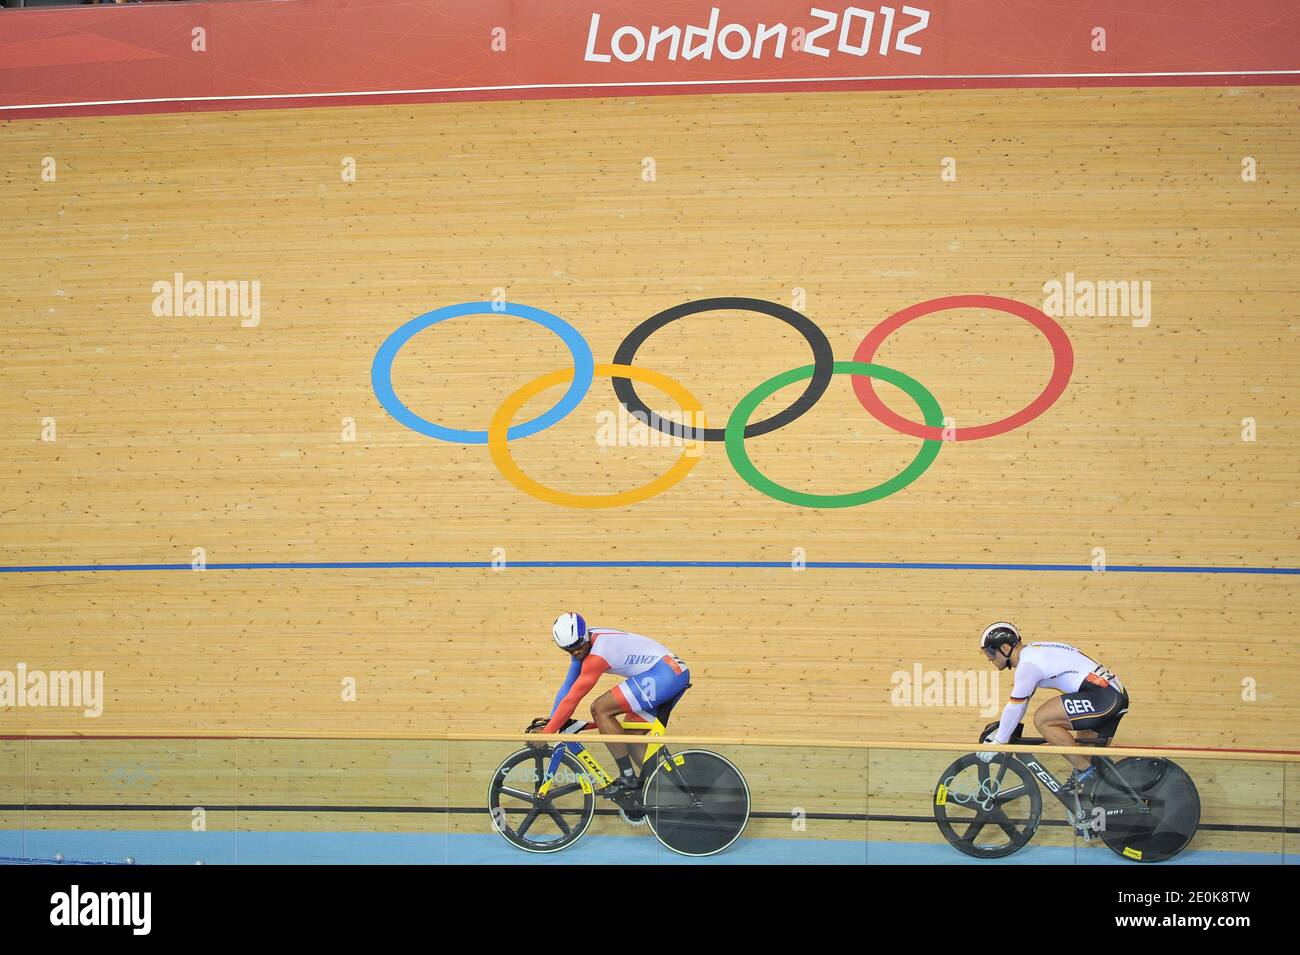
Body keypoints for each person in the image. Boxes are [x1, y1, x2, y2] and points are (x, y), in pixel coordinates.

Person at [533, 613, 690, 797]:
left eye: (577, 647)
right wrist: (552, 721)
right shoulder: (585, 645)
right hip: (668, 673)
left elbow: (574, 697)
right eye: (568, 650)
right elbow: (567, 687)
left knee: (599, 709)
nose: (575, 652)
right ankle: (672, 793)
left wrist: (547, 732)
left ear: (584, 637)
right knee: (630, 740)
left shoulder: (599, 654)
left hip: (665, 674)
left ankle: (627, 777)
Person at [977, 621, 1129, 791]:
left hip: (1103, 696)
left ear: (1004, 649)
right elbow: (1021, 703)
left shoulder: (1028, 665)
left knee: (1043, 719)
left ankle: (1086, 771)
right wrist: (1002, 734)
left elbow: (1015, 705)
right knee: (1086, 763)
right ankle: (1091, 807)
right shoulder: (1033, 652)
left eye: (990, 654)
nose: (990, 659)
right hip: (1110, 695)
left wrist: (998, 742)